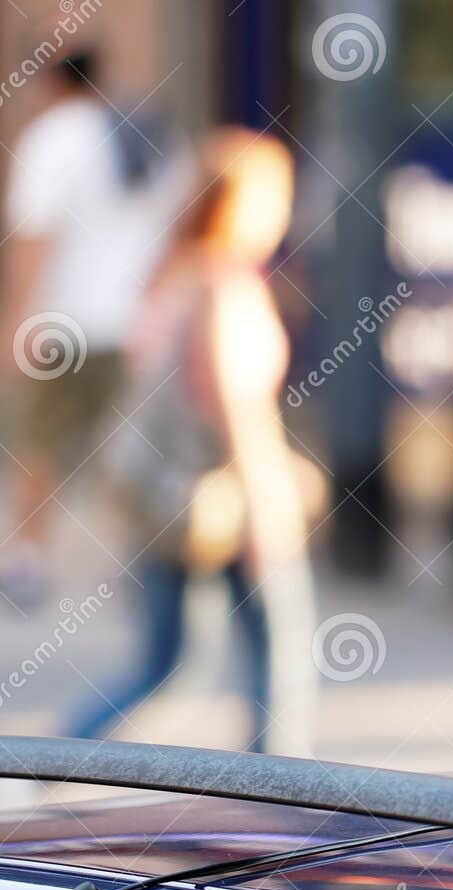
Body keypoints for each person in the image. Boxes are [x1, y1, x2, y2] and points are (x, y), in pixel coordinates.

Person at [62, 128, 315, 757]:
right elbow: (236, 408)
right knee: (279, 660)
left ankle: (50, 762)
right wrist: (269, 508)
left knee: (166, 666)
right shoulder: (224, 289)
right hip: (223, 499)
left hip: (167, 503)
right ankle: (281, 804)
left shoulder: (174, 277)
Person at [1, 49, 187, 606]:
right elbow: (179, 224)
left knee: (43, 443)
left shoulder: (52, 137)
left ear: (51, 84)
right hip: (135, 324)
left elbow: (33, 235)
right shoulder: (147, 135)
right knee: (129, 446)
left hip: (67, 322)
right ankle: (146, 559)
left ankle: (30, 558)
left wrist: (20, 317)